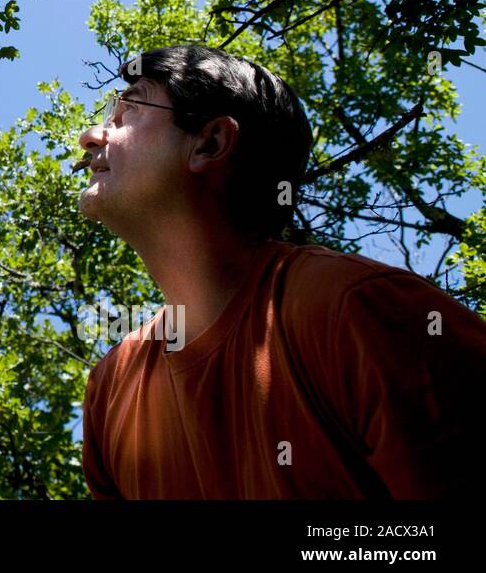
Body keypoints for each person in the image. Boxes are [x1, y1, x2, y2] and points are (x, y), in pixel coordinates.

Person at [76, 44, 486, 498]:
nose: (91, 135)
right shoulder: (111, 390)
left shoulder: (360, 312)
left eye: (129, 108)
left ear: (210, 143)